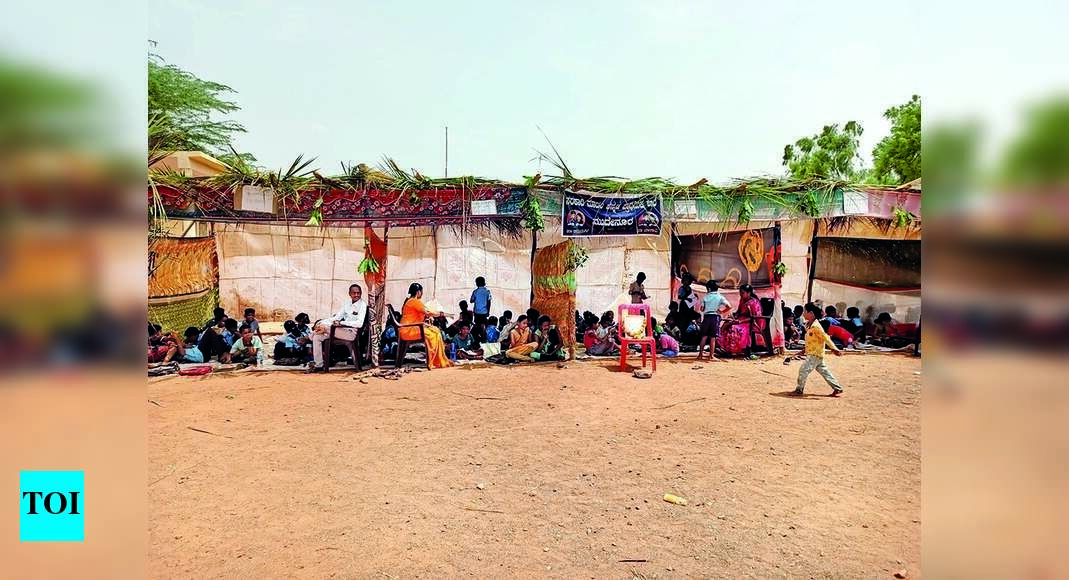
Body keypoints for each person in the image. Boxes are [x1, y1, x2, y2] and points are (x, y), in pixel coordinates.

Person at [308, 283, 368, 373]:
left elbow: (359, 324)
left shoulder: (362, 305)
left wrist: (341, 323)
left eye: (358, 293)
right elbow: (336, 318)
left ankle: (309, 336)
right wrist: (323, 321)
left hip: (351, 333)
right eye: (354, 293)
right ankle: (319, 364)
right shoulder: (347, 303)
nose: (356, 295)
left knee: (322, 328)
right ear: (349, 293)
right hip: (340, 331)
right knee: (317, 337)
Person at [791, 303, 844, 397]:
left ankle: (799, 390)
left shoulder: (816, 327)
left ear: (811, 313)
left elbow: (826, 338)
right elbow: (812, 341)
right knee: (825, 372)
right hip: (815, 353)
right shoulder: (809, 325)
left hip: (814, 354)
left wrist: (834, 348)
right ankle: (837, 388)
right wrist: (804, 350)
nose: (803, 313)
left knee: (803, 370)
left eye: (804, 311)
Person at [399, 282, 454, 369]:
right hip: (409, 330)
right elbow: (428, 312)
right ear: (418, 292)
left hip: (408, 329)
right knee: (435, 334)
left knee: (435, 330)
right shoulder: (414, 301)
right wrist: (444, 314)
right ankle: (433, 361)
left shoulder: (410, 301)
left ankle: (437, 359)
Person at [717, 284, 764, 356]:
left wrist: (740, 321)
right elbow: (739, 311)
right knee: (726, 324)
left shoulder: (754, 303)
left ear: (749, 293)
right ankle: (723, 347)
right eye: (740, 292)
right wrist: (734, 317)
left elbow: (754, 317)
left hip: (751, 323)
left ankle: (735, 350)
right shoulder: (742, 300)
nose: (740, 294)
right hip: (741, 320)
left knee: (735, 328)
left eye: (742, 293)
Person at [696, 280, 731, 362]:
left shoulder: (706, 297)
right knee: (713, 337)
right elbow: (729, 306)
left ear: (708, 288)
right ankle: (711, 356)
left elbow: (701, 309)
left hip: (707, 317)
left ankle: (700, 355)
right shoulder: (720, 297)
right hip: (715, 317)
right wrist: (721, 311)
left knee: (704, 336)